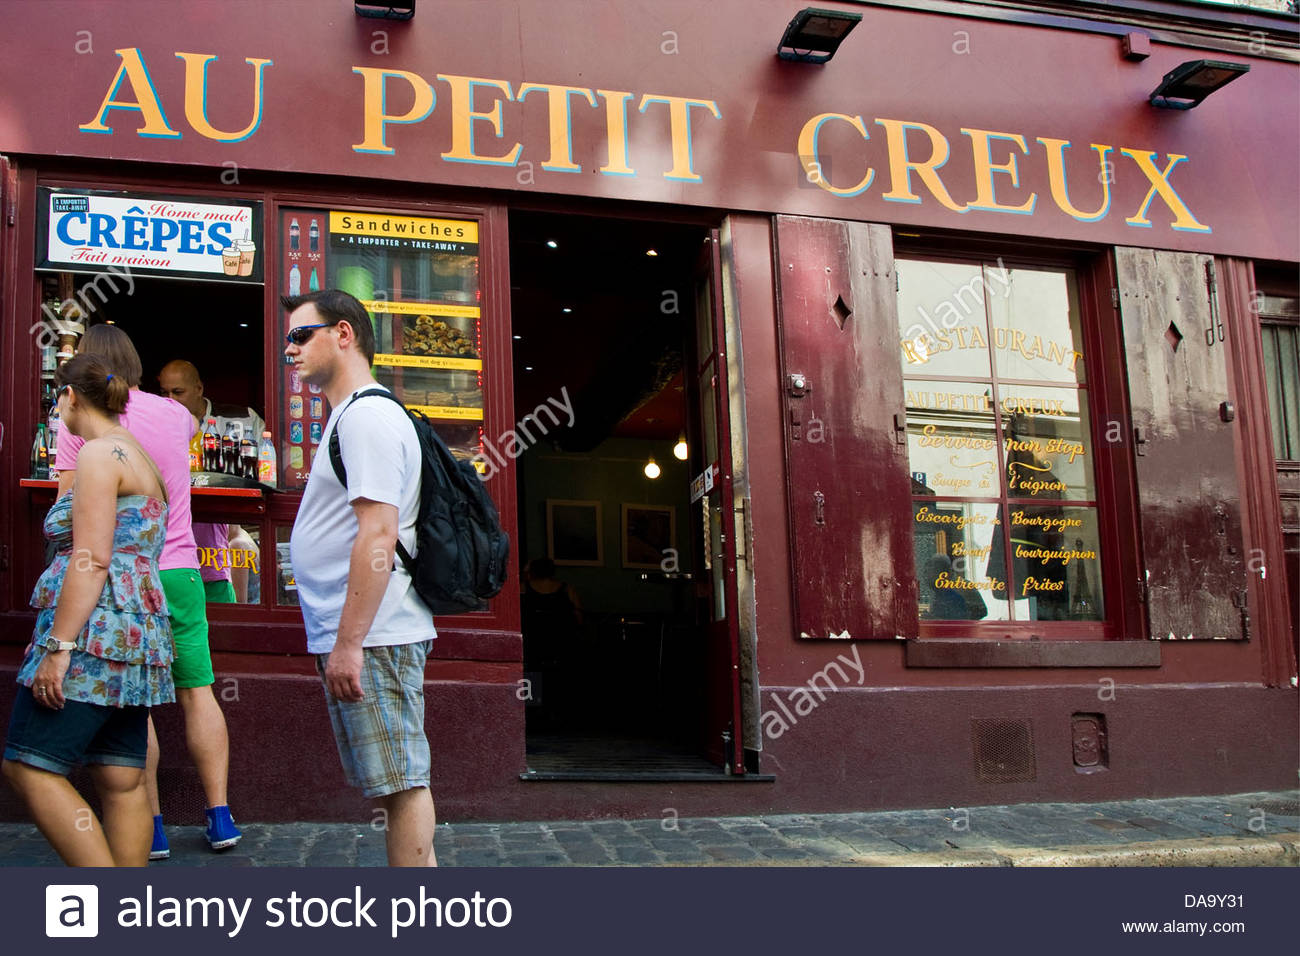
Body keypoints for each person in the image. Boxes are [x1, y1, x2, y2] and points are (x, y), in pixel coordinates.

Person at [55, 325, 240, 858]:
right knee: (197, 691)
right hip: (180, 569)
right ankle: (221, 816)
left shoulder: (83, 420)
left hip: (121, 580)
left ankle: (152, 826)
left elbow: (69, 506)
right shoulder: (177, 414)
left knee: (138, 705)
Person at [283, 289, 438, 867]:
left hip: (377, 634)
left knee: (401, 783)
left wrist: (348, 644)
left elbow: (377, 534)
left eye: (301, 336)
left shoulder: (368, 417)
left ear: (343, 334)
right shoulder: (352, 415)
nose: (290, 350)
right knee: (396, 781)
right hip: (366, 632)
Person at [2, 356, 173, 866]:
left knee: (28, 766)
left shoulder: (99, 455)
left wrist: (58, 647)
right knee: (121, 778)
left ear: (70, 397)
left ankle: (100, 910)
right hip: (135, 637)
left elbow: (92, 558)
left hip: (94, 632)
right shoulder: (139, 455)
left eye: (57, 401)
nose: (58, 412)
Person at [158, 359, 265, 441]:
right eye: (164, 393)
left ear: (199, 389)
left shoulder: (245, 417)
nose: (170, 399)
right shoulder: (157, 424)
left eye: (178, 392)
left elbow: (269, 461)